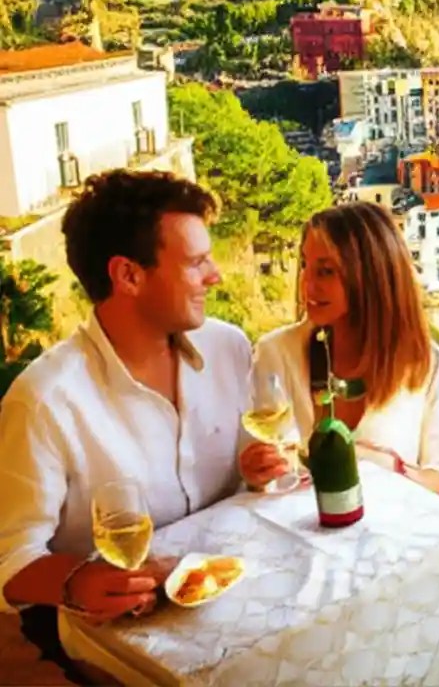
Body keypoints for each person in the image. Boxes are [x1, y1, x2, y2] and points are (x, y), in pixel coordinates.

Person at [0, 170, 281, 666]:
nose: (215, 275)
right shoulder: (43, 400)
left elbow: (247, 475)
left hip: (234, 597)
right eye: (196, 263)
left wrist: (257, 472)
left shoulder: (229, 346)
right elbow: (10, 558)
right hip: (116, 639)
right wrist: (74, 581)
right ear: (128, 275)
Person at [250, 201, 439, 496]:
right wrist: (256, 471)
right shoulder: (274, 353)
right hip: (301, 533)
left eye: (325, 271)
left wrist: (388, 472)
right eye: (305, 265)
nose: (307, 284)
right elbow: (260, 478)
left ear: (371, 276)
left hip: (387, 533)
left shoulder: (425, 363)